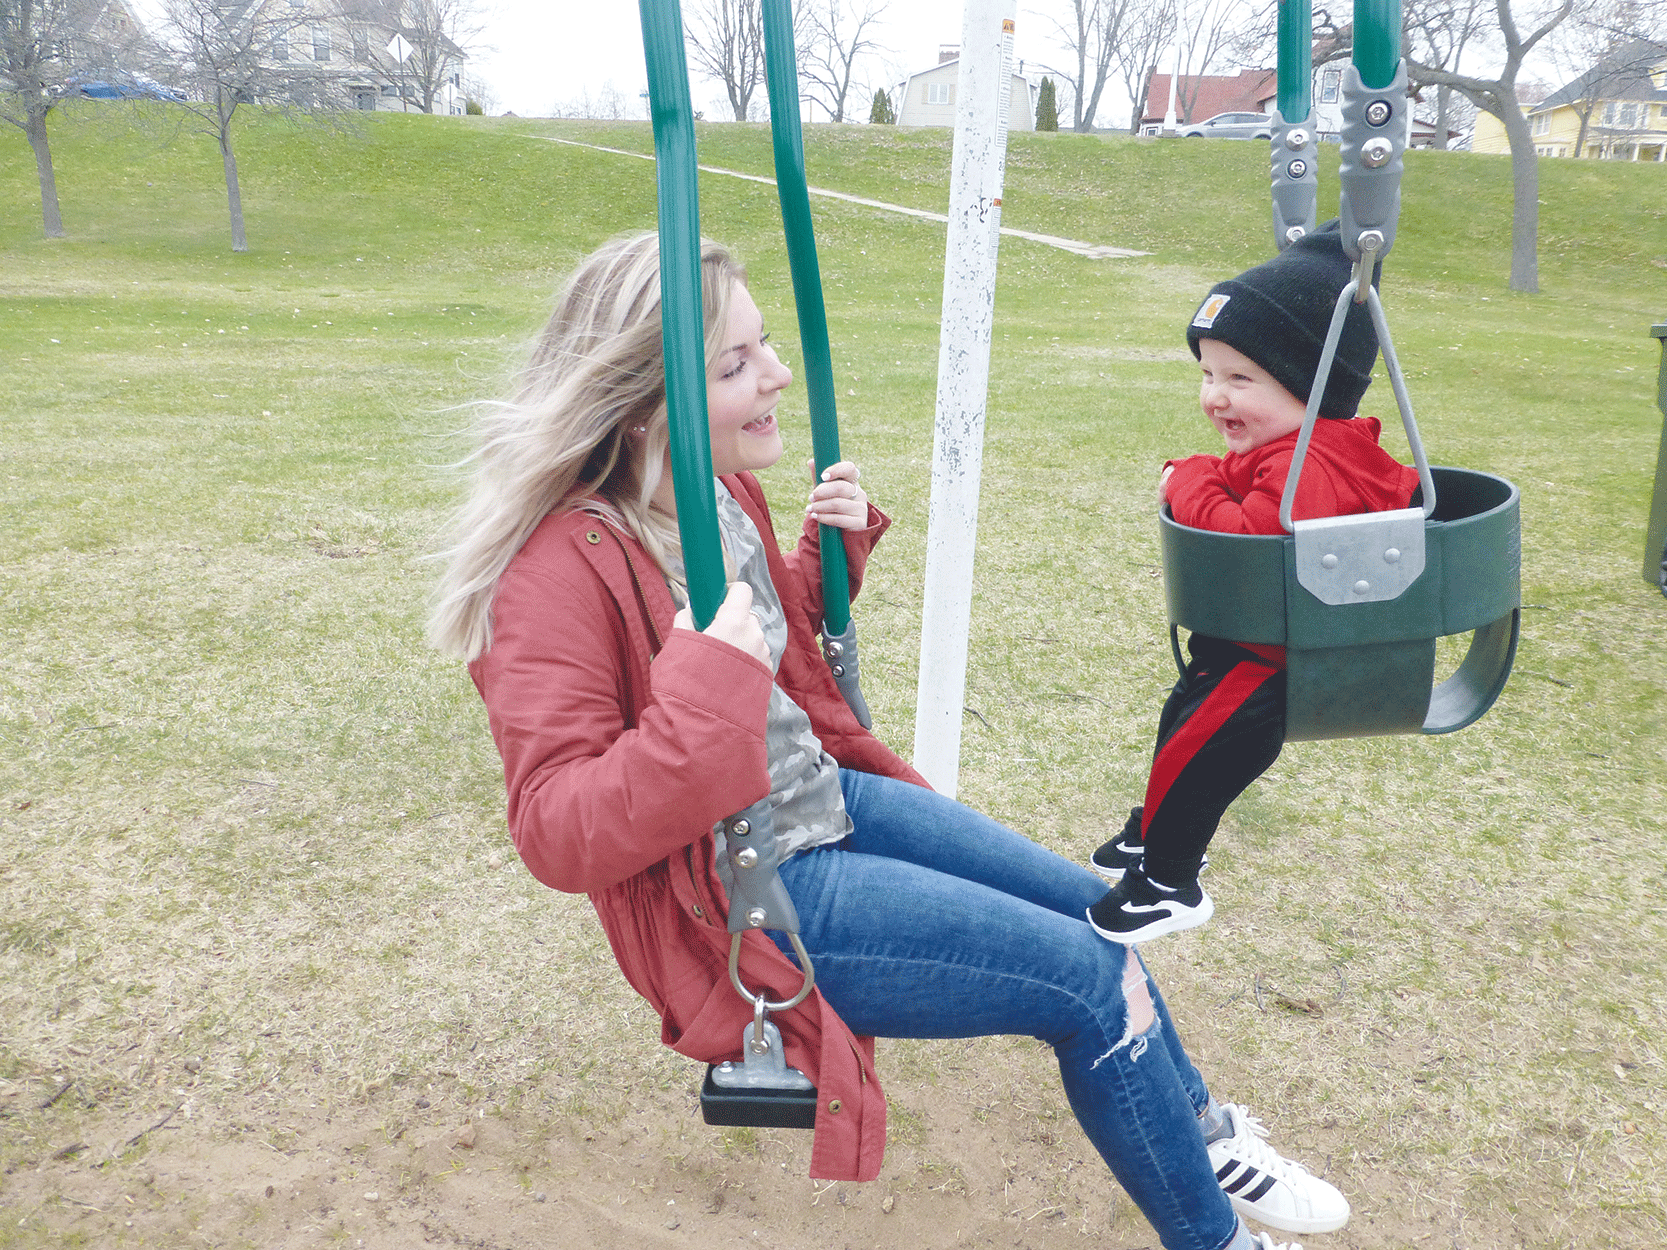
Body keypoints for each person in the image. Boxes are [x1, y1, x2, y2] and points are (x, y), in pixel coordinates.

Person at [429, 232, 1350, 1248]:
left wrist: (827, 556)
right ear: (641, 401)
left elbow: (765, 661)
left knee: (1102, 920)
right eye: (735, 364)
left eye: (764, 344)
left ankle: (1201, 1132)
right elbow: (558, 831)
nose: (776, 374)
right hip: (750, 888)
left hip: (821, 794)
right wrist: (699, 692)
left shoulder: (714, 490)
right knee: (1086, 985)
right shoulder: (556, 567)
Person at [1087, 222, 1421, 945]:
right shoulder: (1290, 446)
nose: (1215, 397)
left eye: (1240, 379)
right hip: (1253, 645)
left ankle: (1167, 884)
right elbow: (1245, 493)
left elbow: (1252, 537)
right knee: (1181, 725)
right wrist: (1210, 473)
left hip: (1285, 660)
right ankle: (1153, 832)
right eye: (1208, 374)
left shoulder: (1312, 463)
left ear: (1311, 383)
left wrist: (1191, 479)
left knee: (1197, 747)